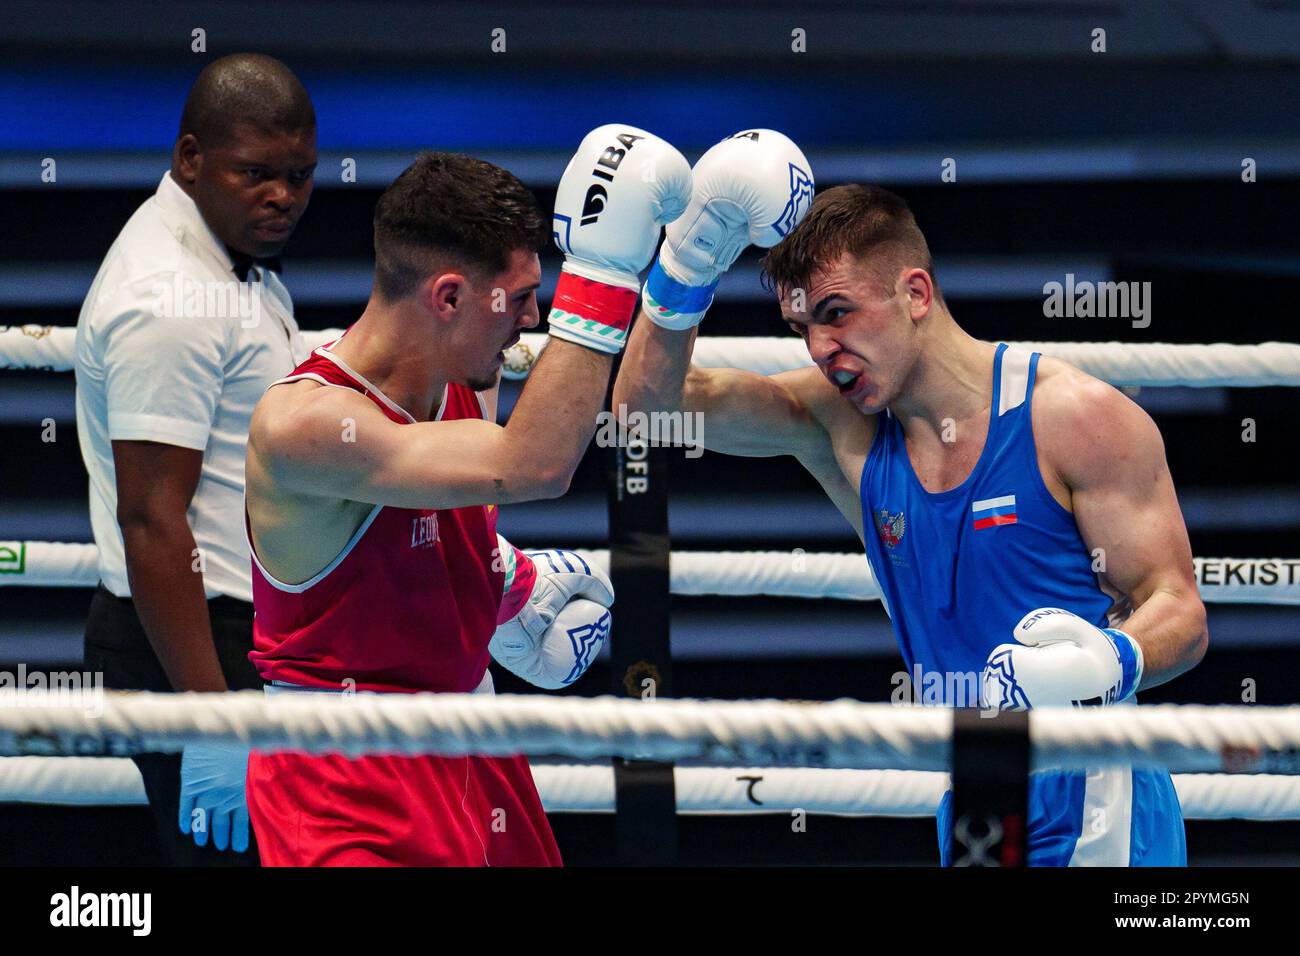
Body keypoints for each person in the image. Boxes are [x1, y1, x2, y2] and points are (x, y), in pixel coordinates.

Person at [613, 144, 1208, 864]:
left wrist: (1114, 660)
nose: (823, 349)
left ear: (916, 293)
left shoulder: (1074, 417)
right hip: (969, 793)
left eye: (838, 313)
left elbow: (1178, 607)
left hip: (1096, 793)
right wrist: (688, 263)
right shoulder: (840, 426)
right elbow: (646, 413)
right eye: (802, 328)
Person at [242, 128, 693, 865]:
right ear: (449, 296)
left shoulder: (468, 377)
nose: (533, 322)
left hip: (471, 743)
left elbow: (446, 522)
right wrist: (605, 271)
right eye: (517, 300)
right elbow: (535, 466)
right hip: (347, 785)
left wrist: (504, 590)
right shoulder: (304, 426)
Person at [74, 52, 317, 865]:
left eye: (299, 175)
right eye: (256, 173)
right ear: (190, 159)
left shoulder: (237, 269)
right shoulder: (168, 298)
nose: (282, 196)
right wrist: (209, 719)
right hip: (193, 643)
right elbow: (151, 519)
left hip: (238, 635)